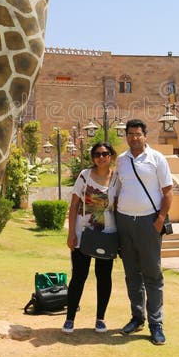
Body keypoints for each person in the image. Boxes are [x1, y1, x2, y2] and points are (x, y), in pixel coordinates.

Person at [115, 119, 173, 345]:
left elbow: (167, 191)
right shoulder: (122, 160)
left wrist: (160, 219)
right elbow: (117, 191)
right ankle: (137, 317)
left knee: (152, 274)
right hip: (125, 221)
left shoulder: (156, 158)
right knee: (132, 274)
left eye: (138, 134)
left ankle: (156, 324)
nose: (134, 138)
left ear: (145, 136)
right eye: (130, 134)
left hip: (149, 222)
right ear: (126, 136)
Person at [62, 142, 118, 335]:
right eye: (97, 154)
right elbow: (74, 205)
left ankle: (100, 319)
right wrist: (71, 233)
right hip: (83, 233)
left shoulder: (117, 178)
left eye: (105, 153)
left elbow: (119, 206)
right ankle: (70, 318)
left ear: (111, 155)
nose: (101, 157)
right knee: (79, 276)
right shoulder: (85, 176)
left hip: (107, 233)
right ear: (92, 157)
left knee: (104, 277)